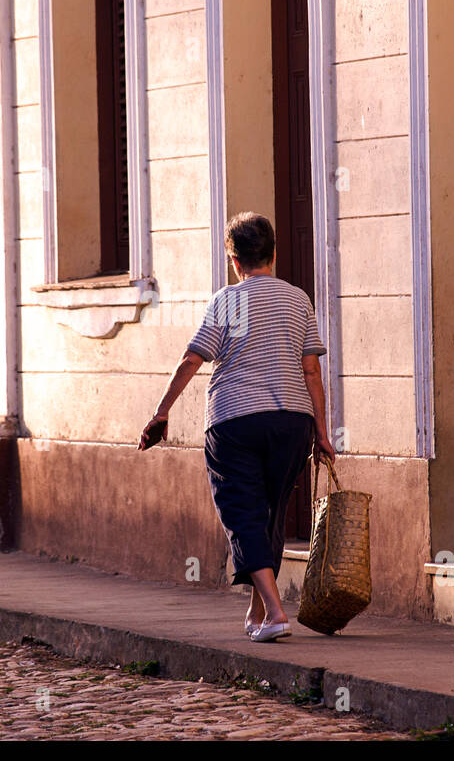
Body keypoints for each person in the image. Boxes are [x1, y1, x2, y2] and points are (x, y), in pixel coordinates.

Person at [138, 212, 336, 642]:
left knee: (243, 514)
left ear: (234, 259)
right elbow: (312, 371)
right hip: (291, 422)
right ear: (273, 254)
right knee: (271, 515)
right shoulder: (298, 298)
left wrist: (161, 412)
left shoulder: (228, 300)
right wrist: (322, 431)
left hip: (235, 421)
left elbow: (193, 359)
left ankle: (278, 613)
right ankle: (258, 610)